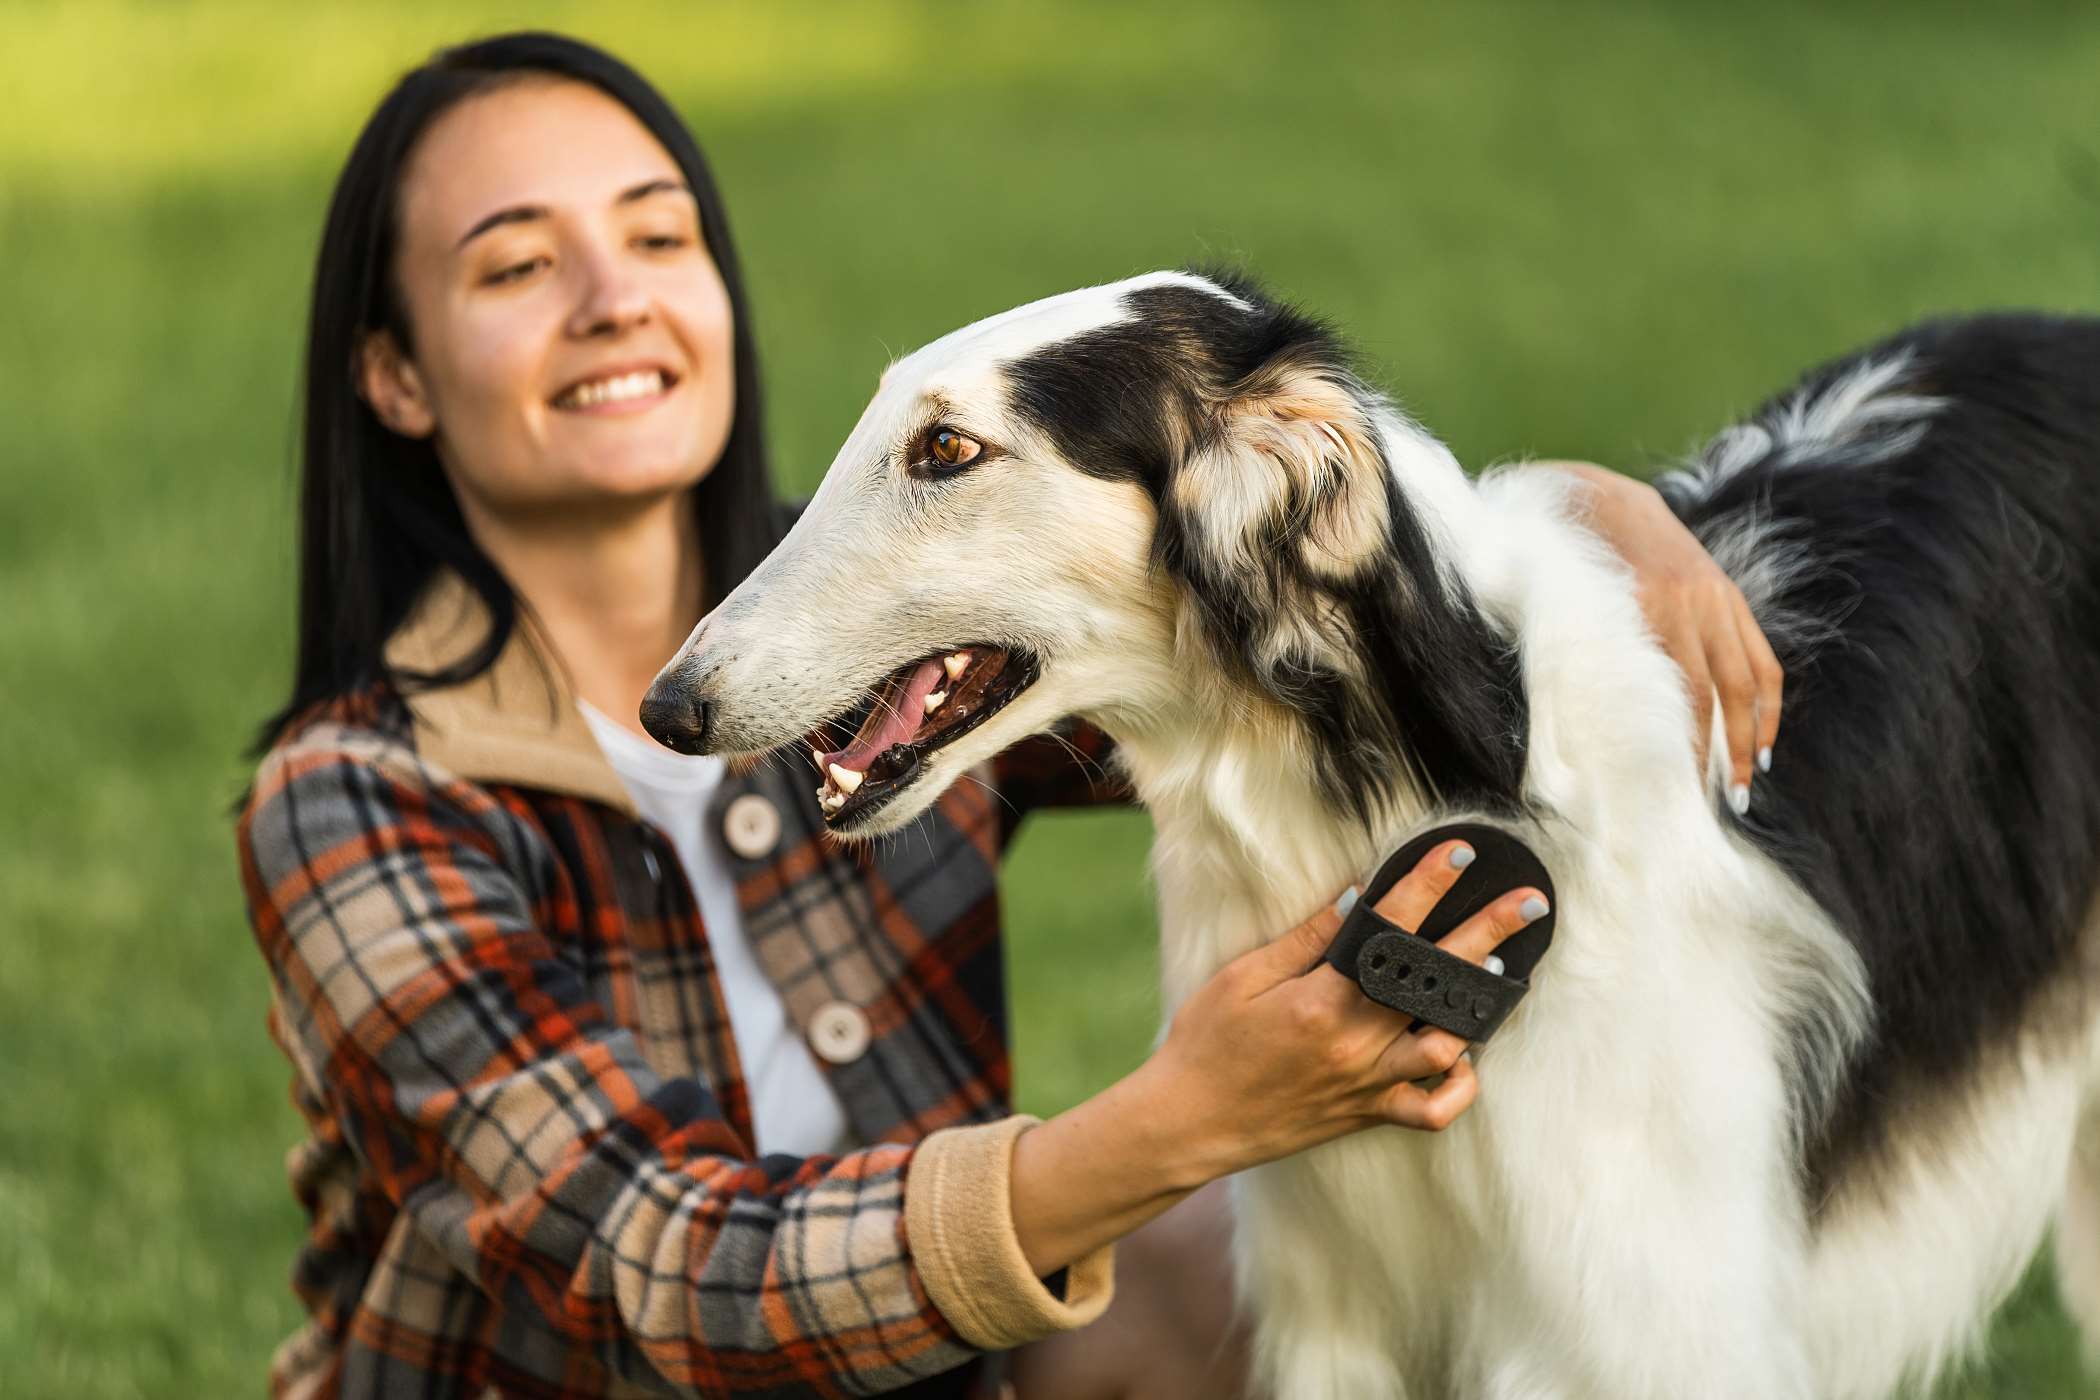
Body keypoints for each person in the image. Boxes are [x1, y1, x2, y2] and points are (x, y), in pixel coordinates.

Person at [237, 31, 1785, 1400]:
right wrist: (1178, 1121)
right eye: (516, 266)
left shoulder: (932, 627)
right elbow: (662, 1271)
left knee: (1331, 1259)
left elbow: (1297, 641)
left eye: (658, 235)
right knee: (1224, 1212)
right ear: (393, 377)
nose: (611, 300)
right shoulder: (355, 797)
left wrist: (1576, 521)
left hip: (935, 1365)